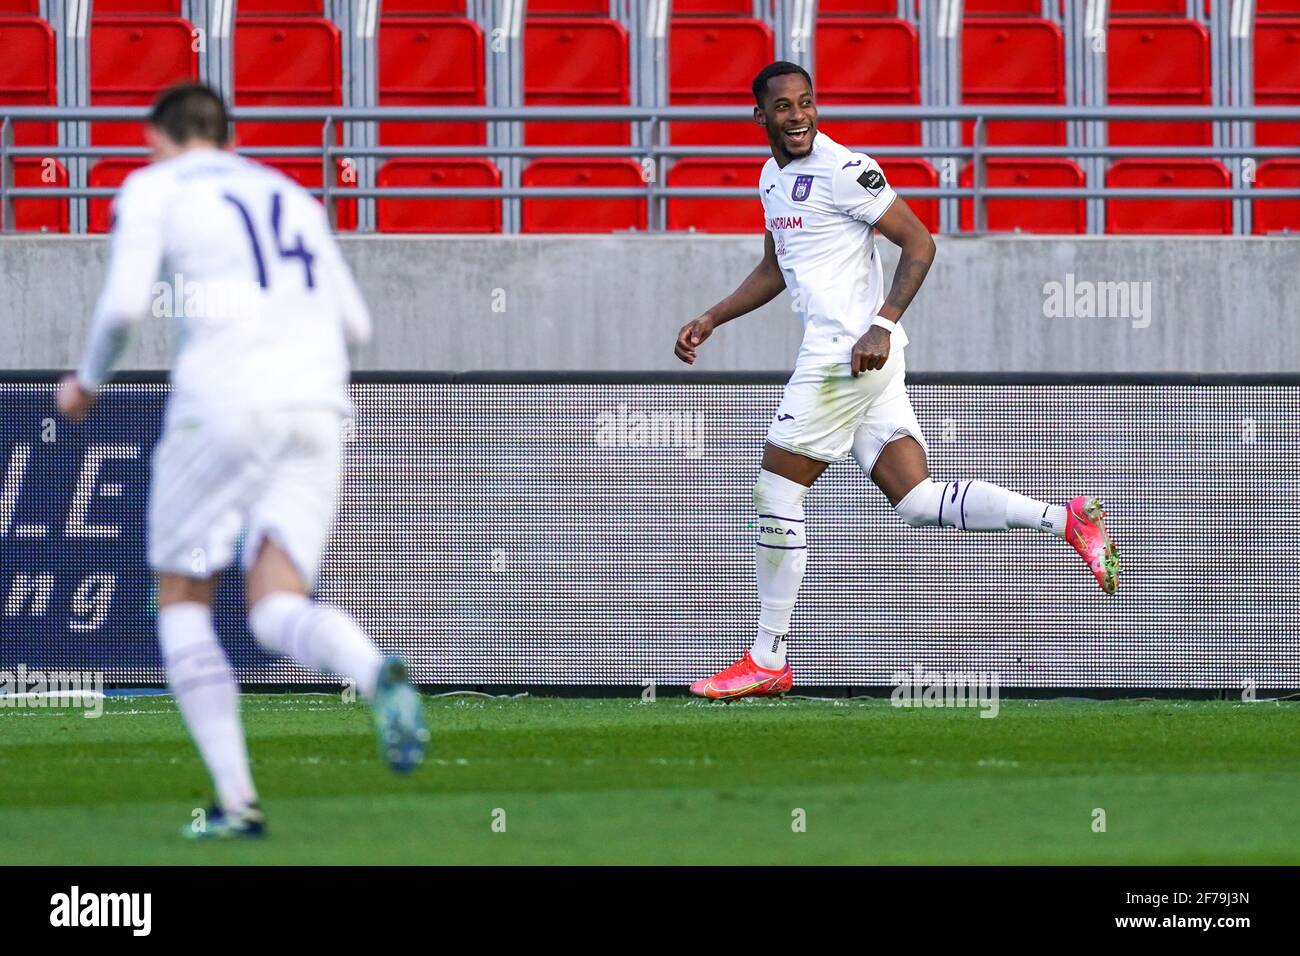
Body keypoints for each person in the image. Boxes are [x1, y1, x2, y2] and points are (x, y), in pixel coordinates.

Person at [675, 62, 1120, 701]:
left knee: (776, 490)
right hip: (860, 364)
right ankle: (1066, 517)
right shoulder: (772, 178)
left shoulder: (846, 169)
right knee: (914, 498)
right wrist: (713, 316)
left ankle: (768, 657)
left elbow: (920, 242)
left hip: (844, 357)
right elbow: (776, 267)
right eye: (783, 107)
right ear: (760, 116)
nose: (798, 116)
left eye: (806, 103)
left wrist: (882, 324)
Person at [56, 83, 428, 837]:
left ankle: (236, 801)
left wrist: (85, 385)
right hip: (319, 405)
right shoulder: (289, 193)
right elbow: (356, 322)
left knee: (185, 599)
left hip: (222, 402)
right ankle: (371, 670)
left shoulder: (154, 187)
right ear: (225, 136)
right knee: (273, 606)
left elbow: (126, 305)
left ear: (158, 137)